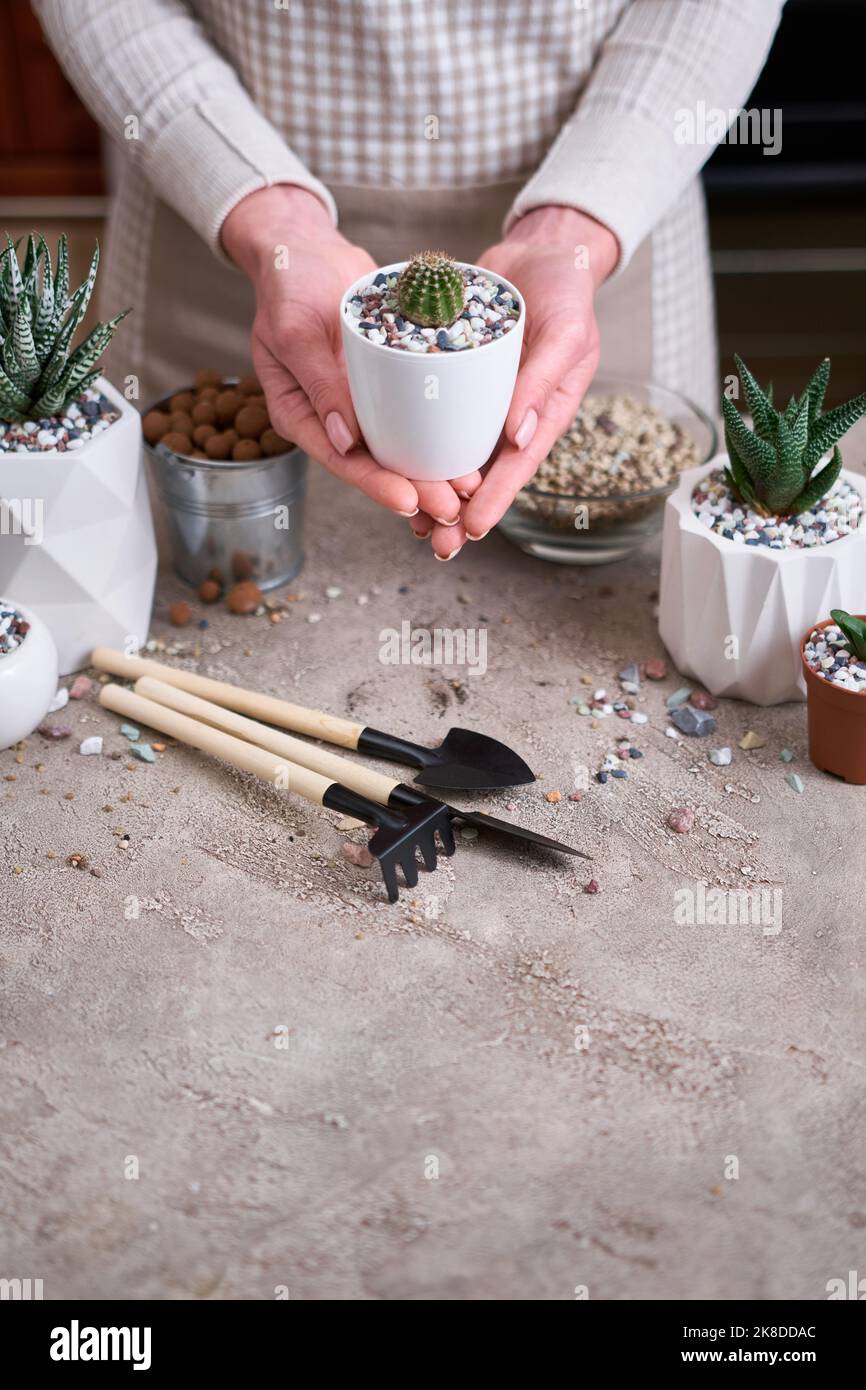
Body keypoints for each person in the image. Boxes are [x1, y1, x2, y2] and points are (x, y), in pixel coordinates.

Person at [36, 0, 783, 560]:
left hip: (605, 207)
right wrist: (274, 224)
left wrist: (575, 228)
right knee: (205, 572)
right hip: (225, 213)